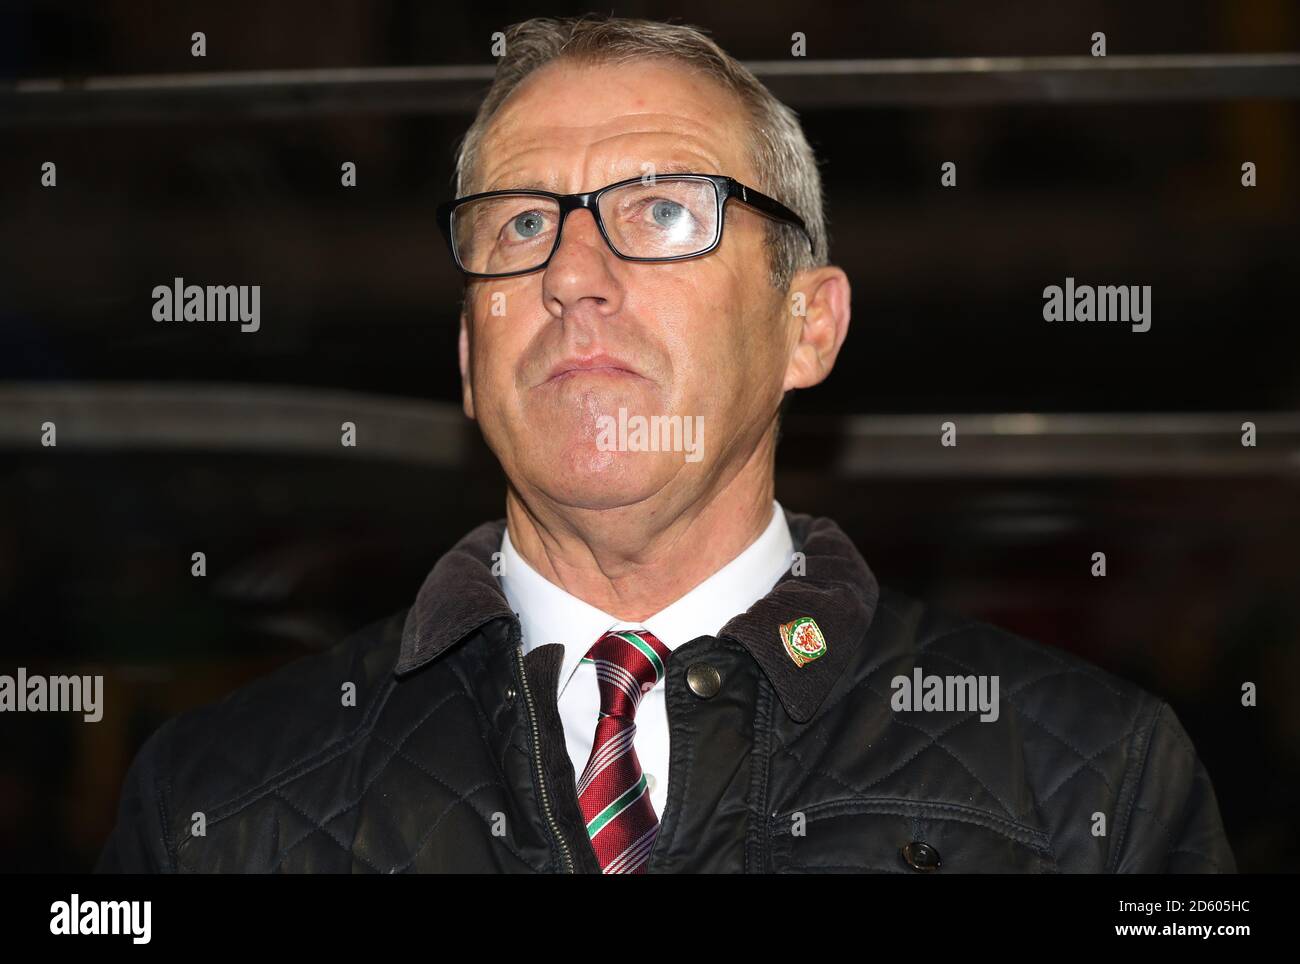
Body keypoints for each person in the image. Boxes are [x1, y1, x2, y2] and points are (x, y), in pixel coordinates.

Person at [96, 15, 1234, 874]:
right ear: (464, 353)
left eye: (664, 211)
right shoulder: (221, 802)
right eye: (523, 222)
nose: (571, 276)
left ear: (809, 324)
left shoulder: (1095, 786)